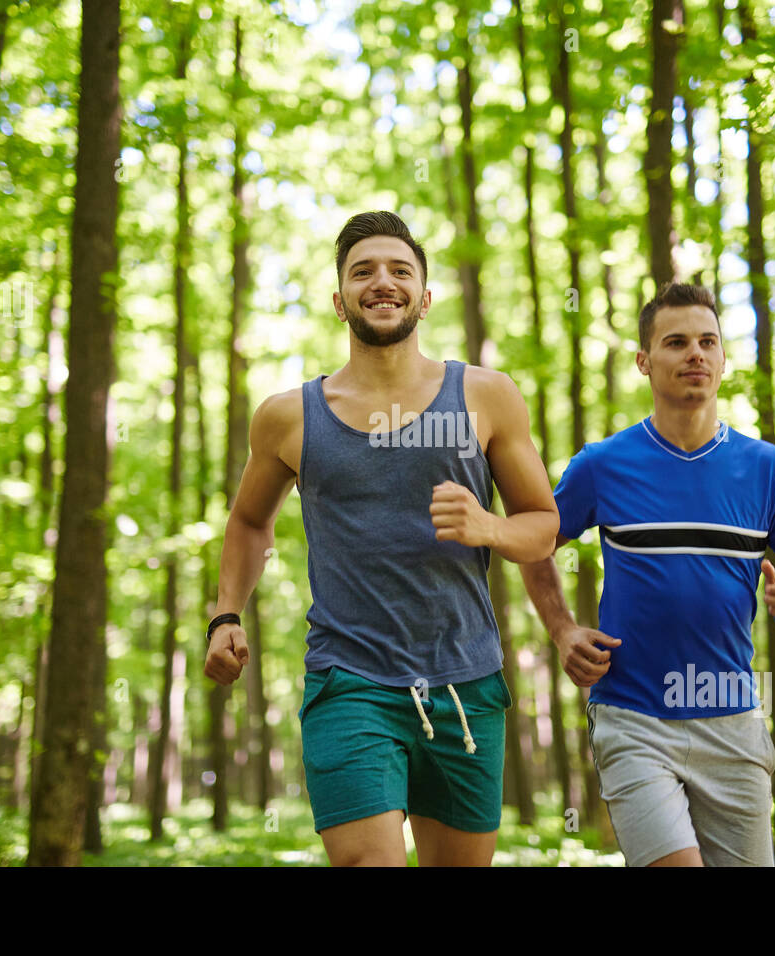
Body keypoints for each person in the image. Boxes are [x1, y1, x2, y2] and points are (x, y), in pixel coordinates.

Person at [205, 211, 557, 866]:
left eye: (400, 269)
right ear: (339, 301)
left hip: (465, 681)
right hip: (350, 680)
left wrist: (489, 527)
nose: (382, 281)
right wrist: (226, 612)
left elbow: (542, 526)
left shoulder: (487, 396)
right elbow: (250, 520)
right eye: (362, 271)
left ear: (425, 296)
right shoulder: (287, 416)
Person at [519, 281, 775, 867]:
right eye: (676, 342)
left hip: (733, 719)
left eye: (707, 341)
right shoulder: (602, 465)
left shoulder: (769, 469)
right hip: (633, 717)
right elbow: (535, 544)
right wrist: (562, 629)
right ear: (645, 361)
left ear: (722, 358)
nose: (695, 353)